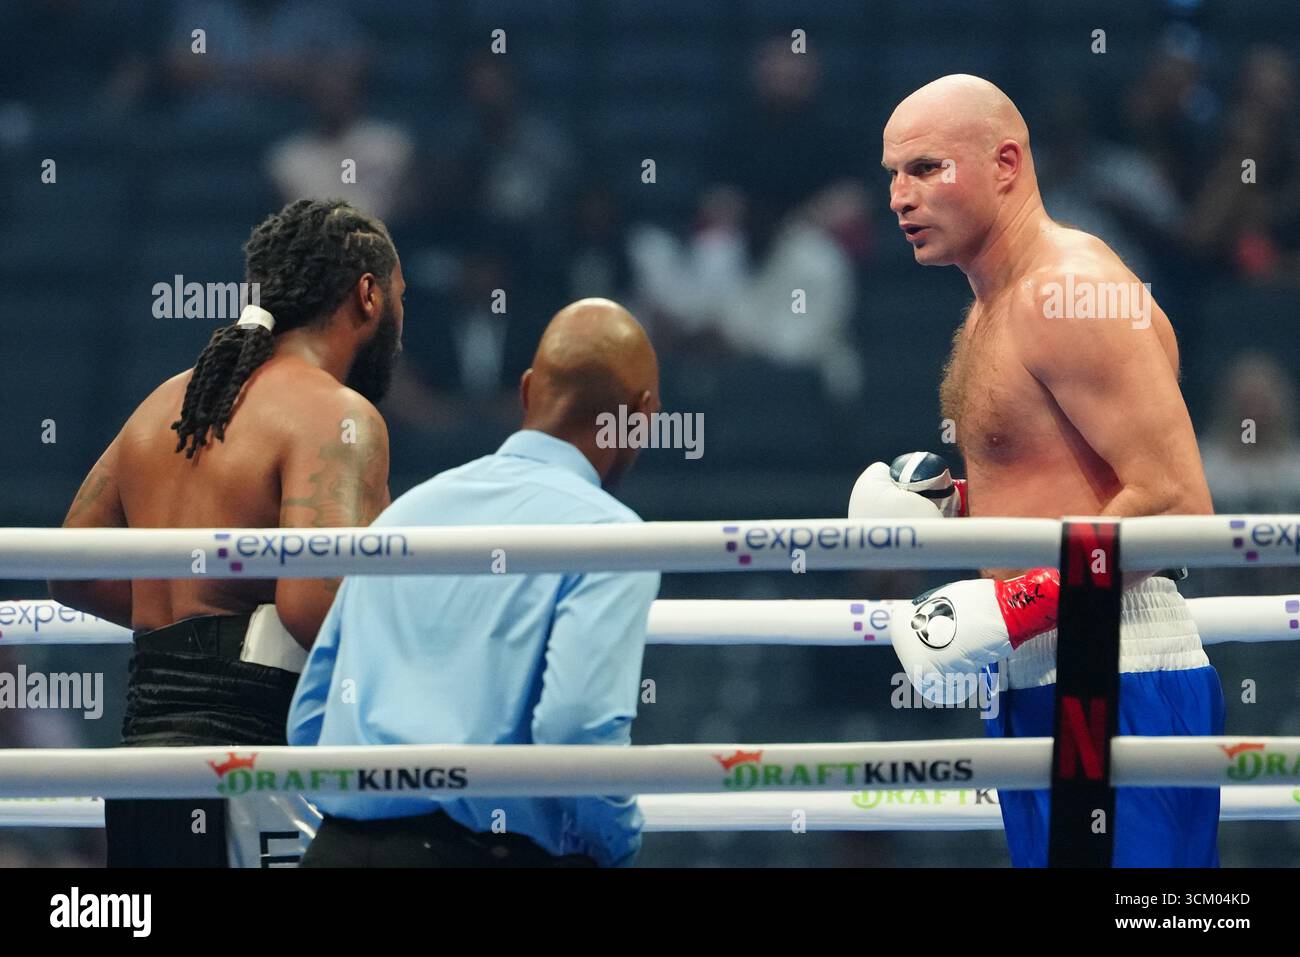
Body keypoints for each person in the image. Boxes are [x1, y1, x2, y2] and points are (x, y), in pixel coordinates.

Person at [850, 75, 1223, 867]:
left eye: (923, 169)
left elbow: (1180, 507)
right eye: (891, 175)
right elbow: (1063, 482)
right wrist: (956, 511)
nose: (897, 197)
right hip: (1049, 667)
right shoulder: (997, 305)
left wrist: (1018, 603)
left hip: (1115, 667)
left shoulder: (1069, 291)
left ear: (1007, 162)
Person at [49, 198, 404, 867]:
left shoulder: (167, 403)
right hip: (250, 766)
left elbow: (73, 566)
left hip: (144, 767)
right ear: (368, 294)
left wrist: (196, 607)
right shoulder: (335, 414)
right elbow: (309, 604)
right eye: (399, 297)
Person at [288, 298, 662, 868]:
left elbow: (312, 715)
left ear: (528, 390)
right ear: (643, 415)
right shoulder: (608, 535)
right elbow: (574, 728)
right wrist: (616, 843)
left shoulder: (410, 513)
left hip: (338, 850)